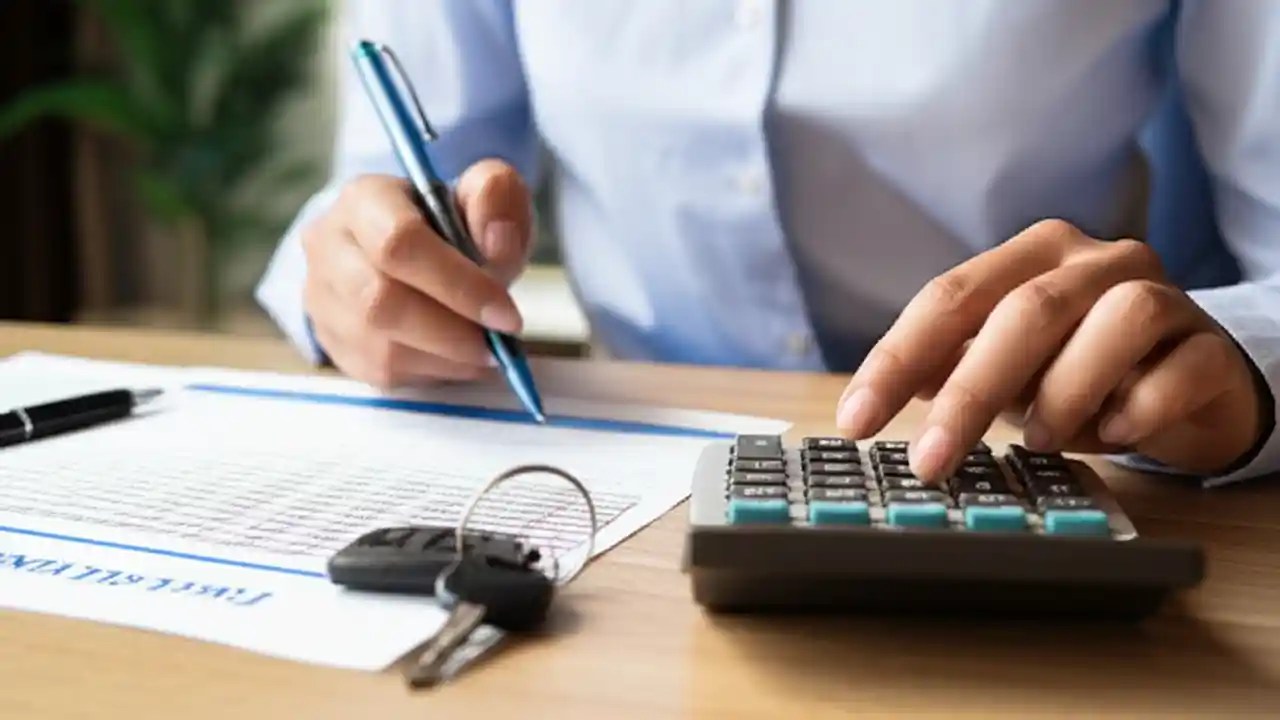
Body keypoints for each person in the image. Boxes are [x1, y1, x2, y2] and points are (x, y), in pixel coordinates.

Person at [257, 1, 1280, 486]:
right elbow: (388, 190)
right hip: (632, 486)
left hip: (1071, 466)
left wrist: (1239, 366)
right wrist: (360, 274)